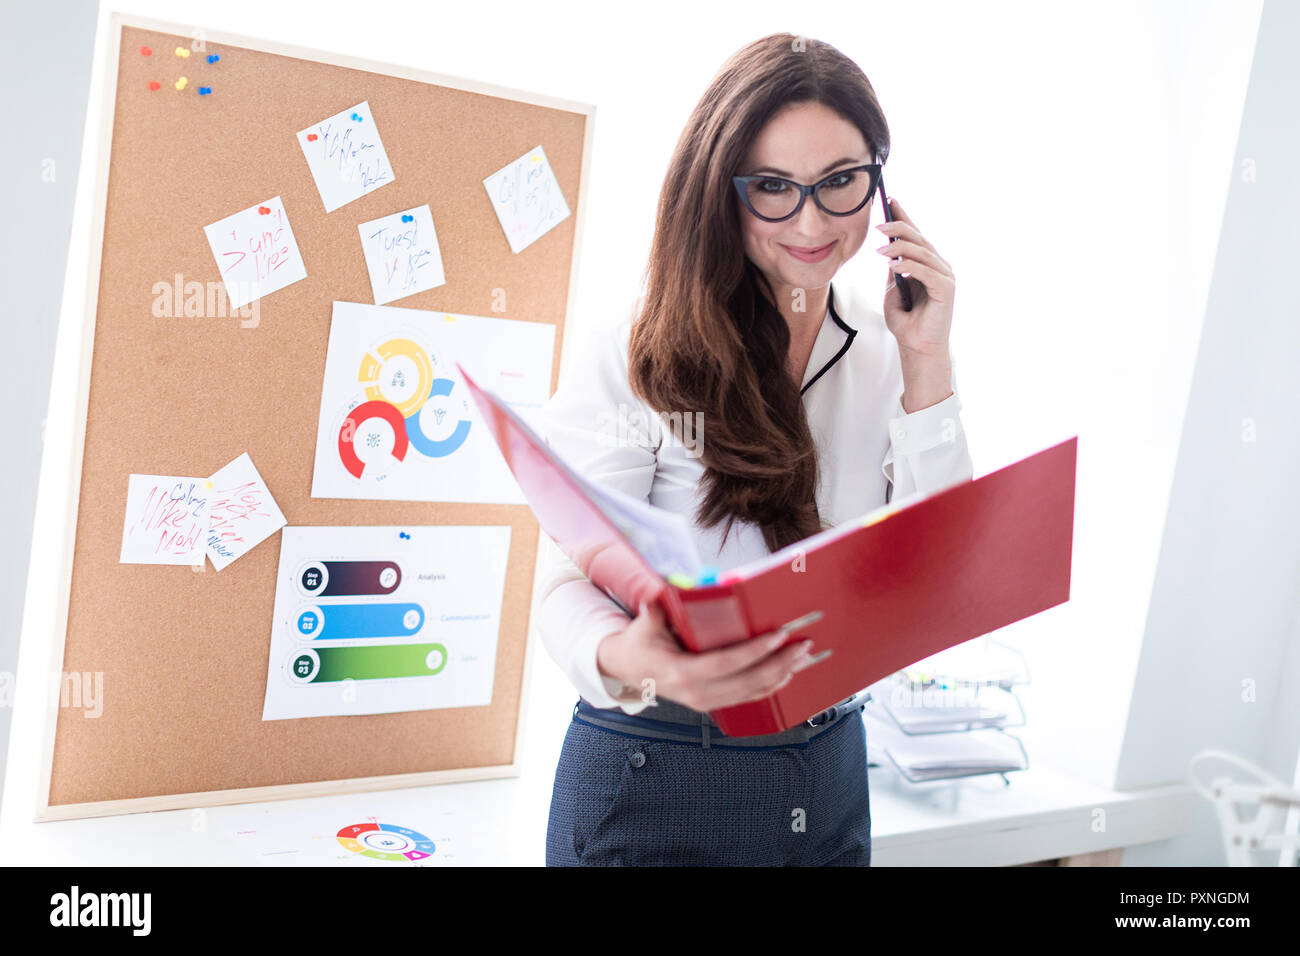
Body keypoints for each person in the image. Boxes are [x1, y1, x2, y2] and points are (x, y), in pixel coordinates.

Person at [535, 32, 973, 866]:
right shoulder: (637, 347)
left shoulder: (890, 352)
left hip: (829, 764)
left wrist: (930, 362)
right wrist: (632, 656)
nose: (810, 223)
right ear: (720, 190)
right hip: (655, 764)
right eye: (772, 187)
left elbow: (938, 570)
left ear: (878, 183)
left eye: (841, 182)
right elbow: (566, 576)